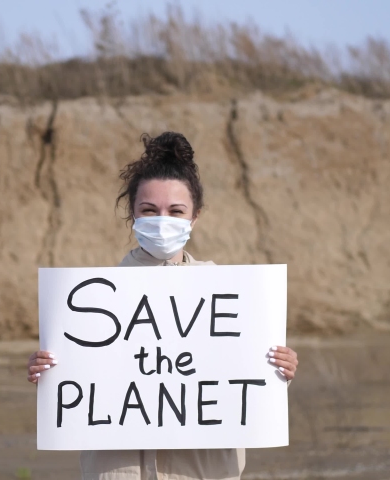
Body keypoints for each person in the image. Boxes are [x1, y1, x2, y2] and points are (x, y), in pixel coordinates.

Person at [26, 132, 300, 480]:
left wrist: (279, 370)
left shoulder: (232, 295)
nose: (162, 220)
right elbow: (80, 389)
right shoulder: (92, 300)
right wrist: (48, 372)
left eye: (176, 211)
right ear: (133, 214)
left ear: (195, 217)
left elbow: (242, 388)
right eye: (149, 210)